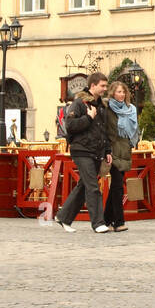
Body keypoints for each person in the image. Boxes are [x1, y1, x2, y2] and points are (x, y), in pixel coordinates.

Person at [53, 73, 112, 233]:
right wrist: (88, 118)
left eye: (106, 86)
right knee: (92, 186)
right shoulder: (79, 103)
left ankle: (63, 217)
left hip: (95, 151)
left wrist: (107, 150)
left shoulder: (101, 106)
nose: (105, 89)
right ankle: (98, 223)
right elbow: (70, 126)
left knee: (83, 186)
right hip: (81, 150)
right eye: (102, 86)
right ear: (93, 86)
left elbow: (104, 131)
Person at [104, 80, 138, 232]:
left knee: (116, 186)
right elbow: (105, 129)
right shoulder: (108, 108)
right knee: (117, 185)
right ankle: (119, 221)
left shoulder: (131, 109)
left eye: (123, 92)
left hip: (125, 148)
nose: (122, 94)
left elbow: (134, 130)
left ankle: (106, 220)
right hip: (112, 149)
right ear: (112, 93)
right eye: (118, 92)